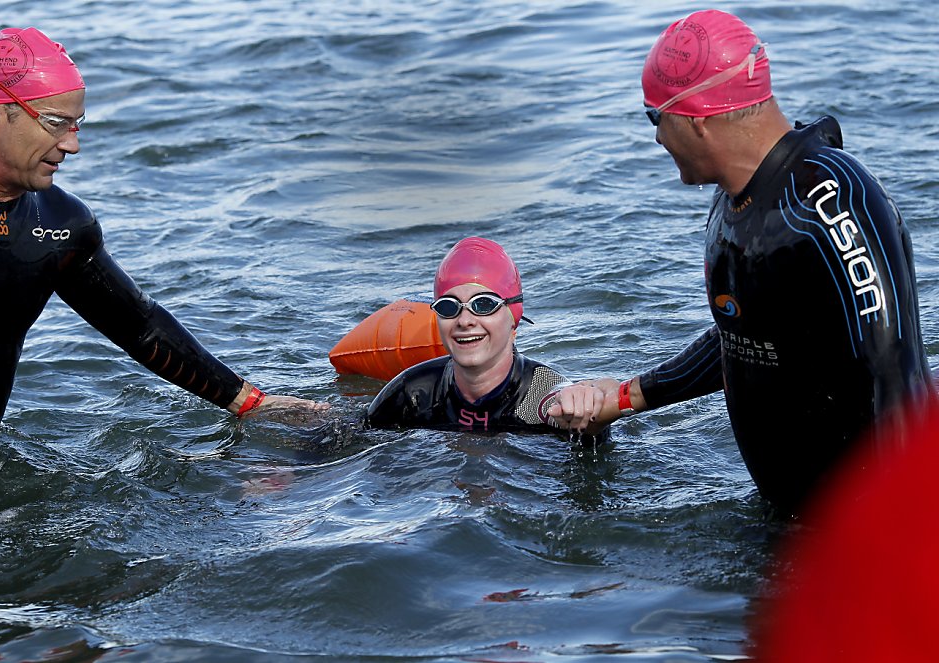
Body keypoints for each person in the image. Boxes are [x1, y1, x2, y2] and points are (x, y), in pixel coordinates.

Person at [549, 9, 935, 514]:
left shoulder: (832, 203)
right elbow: (746, 339)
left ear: (697, 120)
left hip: (868, 527)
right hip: (793, 515)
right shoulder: (736, 200)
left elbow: (893, 376)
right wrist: (622, 399)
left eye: (654, 117)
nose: (657, 138)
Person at [0, 27, 325, 489]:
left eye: (77, 124)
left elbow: (139, 325)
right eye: (54, 123)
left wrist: (251, 403)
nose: (72, 145)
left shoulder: (61, 224)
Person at [365, 236, 607, 441]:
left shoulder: (542, 395)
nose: (464, 320)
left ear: (513, 317)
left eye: (484, 304)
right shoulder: (414, 392)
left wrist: (586, 405)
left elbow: (564, 398)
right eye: (449, 307)